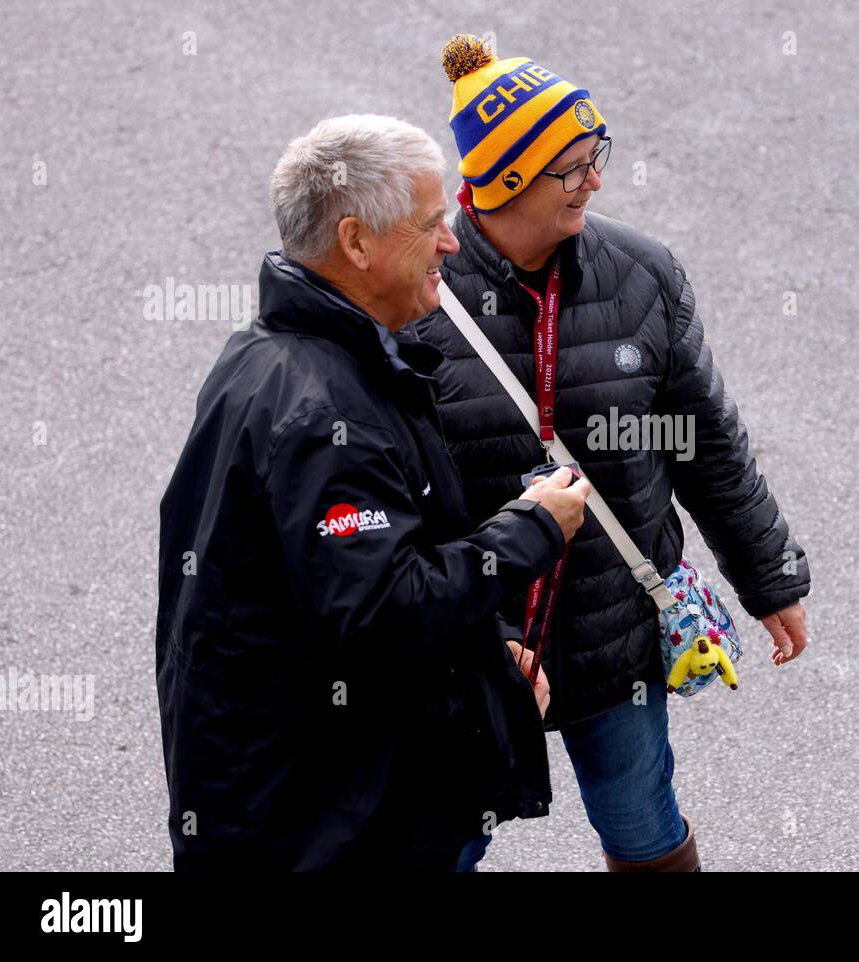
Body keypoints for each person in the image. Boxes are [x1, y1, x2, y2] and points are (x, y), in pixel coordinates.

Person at [409, 36, 812, 871]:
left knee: (643, 830)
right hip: (477, 641)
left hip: (612, 629)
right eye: (575, 166)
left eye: (599, 156)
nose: (598, 179)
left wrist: (768, 576)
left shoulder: (643, 276)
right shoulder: (414, 301)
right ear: (509, 179)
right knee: (438, 845)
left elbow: (704, 443)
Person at [155, 114, 591, 871]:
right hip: (326, 827)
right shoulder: (324, 416)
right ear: (356, 242)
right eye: (431, 226)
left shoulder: (282, 359)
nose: (453, 244)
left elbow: (358, 573)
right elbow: (386, 611)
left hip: (313, 795)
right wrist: (533, 528)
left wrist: (490, 645)